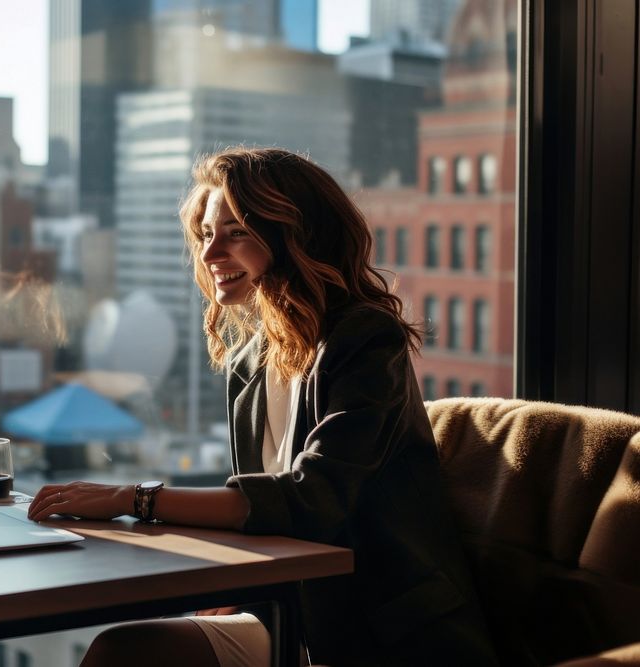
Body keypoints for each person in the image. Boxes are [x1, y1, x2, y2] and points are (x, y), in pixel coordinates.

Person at [27, 148, 497, 666]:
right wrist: (232, 589)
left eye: (235, 233)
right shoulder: (249, 365)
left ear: (294, 235)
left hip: (379, 630)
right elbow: (258, 512)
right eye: (206, 235)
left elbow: (310, 499)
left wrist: (130, 498)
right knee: (124, 650)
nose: (210, 255)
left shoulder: (364, 339)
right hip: (288, 614)